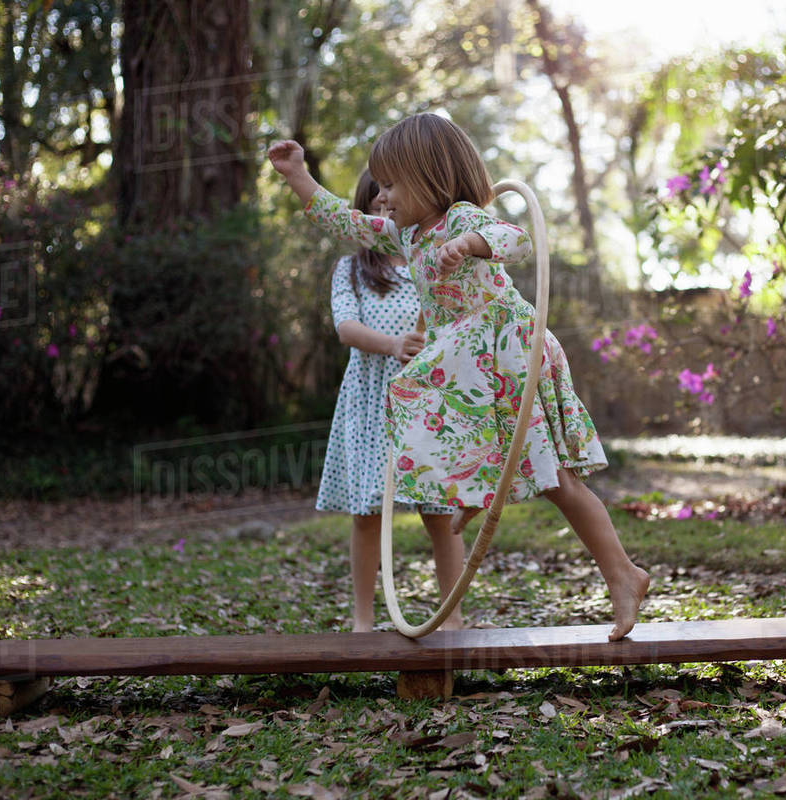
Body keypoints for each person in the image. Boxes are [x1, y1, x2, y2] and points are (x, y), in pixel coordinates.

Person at [268, 113, 649, 641]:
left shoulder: (460, 219)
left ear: (430, 178)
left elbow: (514, 238)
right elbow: (347, 223)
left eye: (392, 183)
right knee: (417, 405)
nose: (381, 196)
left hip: (506, 354)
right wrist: (297, 177)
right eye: (379, 185)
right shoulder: (407, 236)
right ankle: (476, 487)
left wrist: (471, 245)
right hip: (463, 364)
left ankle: (622, 573)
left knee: (556, 478)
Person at [316, 169, 464, 633]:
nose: (386, 210)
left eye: (392, 202)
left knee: (439, 511)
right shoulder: (352, 269)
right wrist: (394, 344)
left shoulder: (430, 260)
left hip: (427, 401)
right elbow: (346, 328)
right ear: (363, 213)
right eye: (375, 205)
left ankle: (453, 619)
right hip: (371, 400)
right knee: (367, 512)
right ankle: (363, 621)